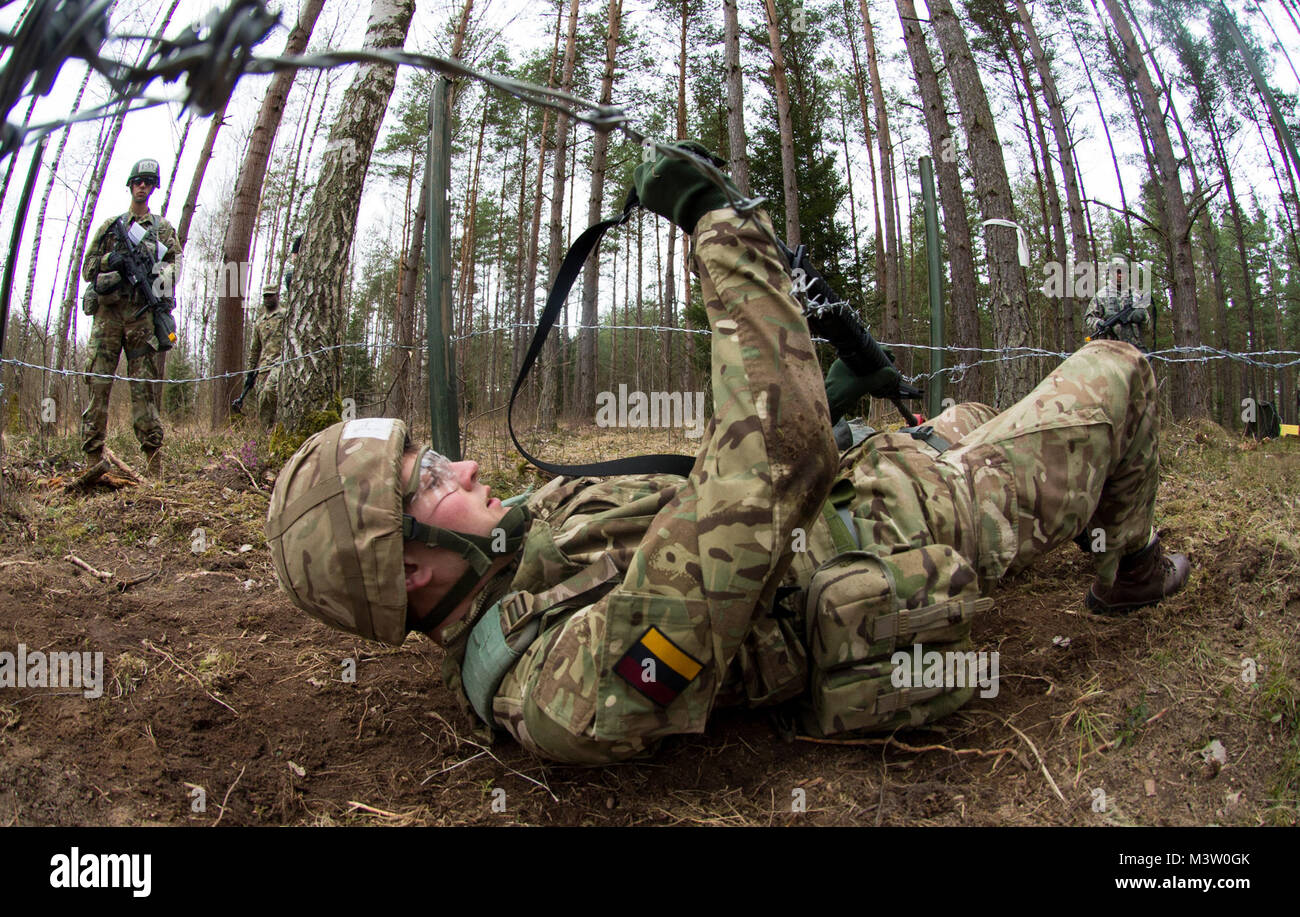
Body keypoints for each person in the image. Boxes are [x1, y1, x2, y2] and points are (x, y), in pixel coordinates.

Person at [267, 145, 1190, 765]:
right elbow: (767, 473)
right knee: (1118, 366)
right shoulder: (563, 688)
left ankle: (1042, 488)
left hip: (874, 479)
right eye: (431, 480)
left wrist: (826, 396)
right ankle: (1129, 569)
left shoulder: (521, 549)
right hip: (921, 520)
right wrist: (721, 229)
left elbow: (717, 485)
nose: (463, 469)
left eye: (438, 455)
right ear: (414, 570)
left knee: (973, 406)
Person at [80, 158, 181, 476]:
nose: (142, 186)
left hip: (142, 319)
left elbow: (175, 265)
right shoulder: (111, 226)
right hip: (108, 318)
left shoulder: (162, 229)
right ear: (130, 184)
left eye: (148, 182)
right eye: (138, 180)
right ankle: (92, 462)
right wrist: (115, 259)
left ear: (153, 188)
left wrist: (155, 273)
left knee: (144, 390)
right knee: (98, 387)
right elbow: (88, 268)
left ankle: (154, 467)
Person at [232, 288, 285, 428]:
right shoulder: (259, 322)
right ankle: (266, 436)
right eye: (265, 296)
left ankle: (280, 425)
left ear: (277, 296)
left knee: (271, 390)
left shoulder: (285, 315)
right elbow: (255, 350)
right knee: (262, 403)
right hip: (263, 367)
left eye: (270, 296)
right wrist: (250, 372)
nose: (267, 299)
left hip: (281, 362)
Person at [1084, 256, 1149, 350]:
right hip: (1110, 351)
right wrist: (1098, 323)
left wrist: (1143, 316)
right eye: (1118, 271)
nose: (1121, 275)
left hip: (1135, 350)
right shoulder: (1101, 296)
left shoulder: (1136, 295)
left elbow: (1147, 329)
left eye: (1124, 272)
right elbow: (1088, 319)